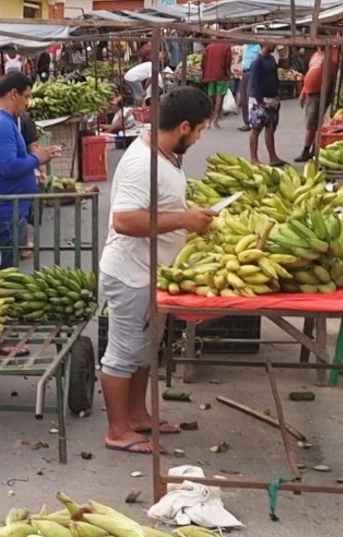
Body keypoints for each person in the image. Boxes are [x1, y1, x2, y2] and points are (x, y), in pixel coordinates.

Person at [99, 87, 216, 455]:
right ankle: (117, 430)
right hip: (130, 273)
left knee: (145, 351)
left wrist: (187, 212)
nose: (199, 138)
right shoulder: (141, 163)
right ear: (183, 126)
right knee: (122, 353)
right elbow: (123, 219)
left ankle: (137, 416)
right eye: (199, 130)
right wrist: (183, 218)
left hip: (153, 273)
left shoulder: (165, 155)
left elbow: (158, 204)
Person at [0, 72, 60, 269]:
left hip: (7, 208)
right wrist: (37, 159)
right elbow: (9, 167)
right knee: (2, 275)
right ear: (14, 94)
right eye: (27, 96)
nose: (28, 102)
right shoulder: (0, 123)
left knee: (6, 272)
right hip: (5, 211)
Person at [247, 45, 286, 166]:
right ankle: (254, 158)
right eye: (272, 43)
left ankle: (273, 157)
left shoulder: (271, 59)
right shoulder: (257, 63)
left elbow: (278, 73)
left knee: (270, 128)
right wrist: (260, 101)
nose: (274, 45)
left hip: (272, 99)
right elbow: (254, 83)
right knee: (256, 129)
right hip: (259, 101)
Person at [296, 48, 332, 162]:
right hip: (310, 92)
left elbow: (328, 75)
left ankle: (308, 150)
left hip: (318, 93)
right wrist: (303, 92)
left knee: (312, 123)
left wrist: (325, 93)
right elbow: (309, 73)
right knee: (311, 122)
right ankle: (311, 149)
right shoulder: (316, 55)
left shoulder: (328, 56)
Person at [201, 39, 233, 129]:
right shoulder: (226, 47)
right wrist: (228, 73)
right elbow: (228, 61)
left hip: (210, 74)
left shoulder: (209, 47)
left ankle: (208, 121)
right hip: (221, 74)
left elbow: (203, 62)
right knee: (219, 96)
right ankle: (215, 121)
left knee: (211, 96)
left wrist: (204, 74)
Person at [237, 42, 261, 131]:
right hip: (244, 72)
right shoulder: (245, 46)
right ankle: (247, 121)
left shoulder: (257, 47)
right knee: (244, 97)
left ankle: (253, 121)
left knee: (250, 97)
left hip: (253, 72)